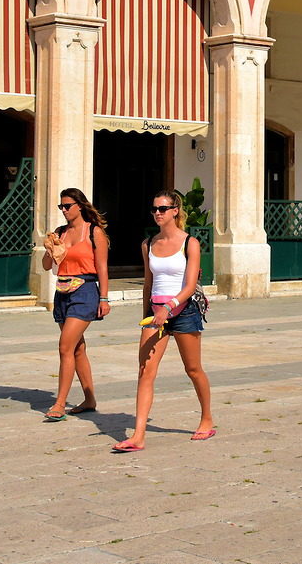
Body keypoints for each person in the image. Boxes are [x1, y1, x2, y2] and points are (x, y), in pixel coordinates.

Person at [112, 190, 215, 452]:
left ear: (175, 211)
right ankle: (138, 435)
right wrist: (146, 313)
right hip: (155, 314)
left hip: (184, 312)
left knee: (193, 369)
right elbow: (149, 283)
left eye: (162, 208)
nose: (157, 213)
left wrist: (168, 308)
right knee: (145, 372)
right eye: (154, 208)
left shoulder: (189, 243)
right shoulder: (148, 244)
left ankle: (206, 418)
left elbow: (190, 286)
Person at [40, 188, 110, 421]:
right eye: (61, 206)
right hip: (62, 291)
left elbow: (102, 267)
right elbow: (46, 266)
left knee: (65, 346)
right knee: (77, 348)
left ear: (80, 205)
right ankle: (89, 399)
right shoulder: (60, 232)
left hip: (86, 290)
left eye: (67, 206)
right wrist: (51, 249)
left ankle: (60, 404)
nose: (64, 210)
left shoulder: (94, 232)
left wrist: (104, 298)